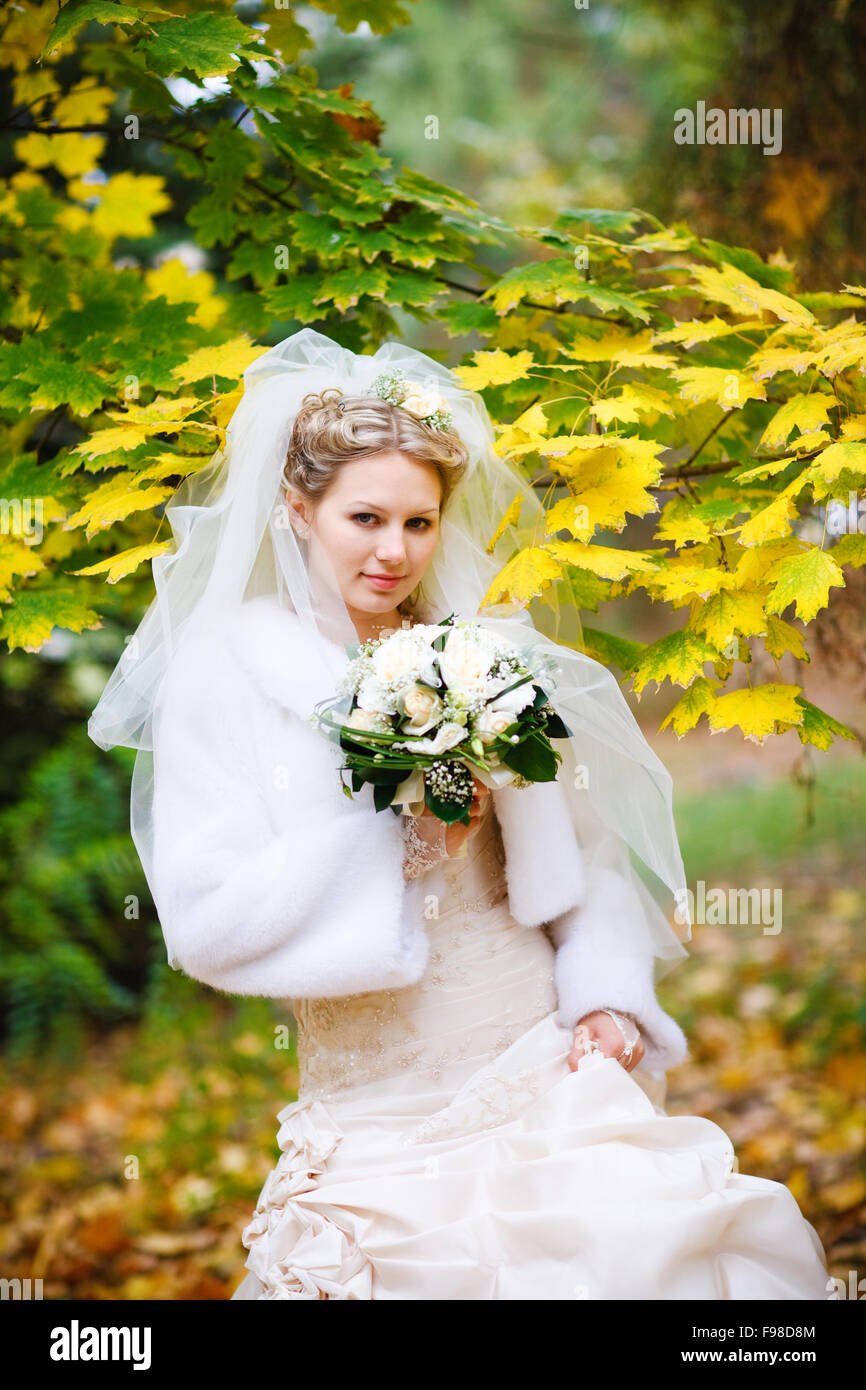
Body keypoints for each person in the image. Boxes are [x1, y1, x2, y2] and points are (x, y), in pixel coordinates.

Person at [88, 328, 830, 1300]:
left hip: (539, 1061)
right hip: (378, 1106)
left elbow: (587, 848)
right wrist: (391, 843)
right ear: (297, 507)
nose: (394, 552)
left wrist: (605, 992)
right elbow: (205, 917)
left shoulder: (478, 651)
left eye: (419, 521)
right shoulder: (222, 679)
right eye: (364, 517)